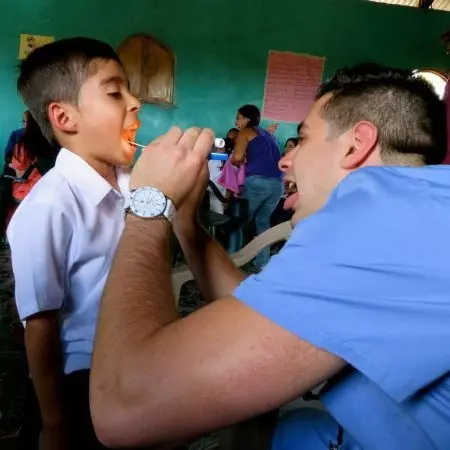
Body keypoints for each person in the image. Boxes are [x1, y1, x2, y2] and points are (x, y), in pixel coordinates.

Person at [91, 64, 450, 450]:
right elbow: (267, 322)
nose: (284, 160)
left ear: (355, 144)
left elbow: (124, 406)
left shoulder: (378, 218)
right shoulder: (417, 212)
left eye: (304, 140)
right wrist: (186, 224)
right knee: (294, 430)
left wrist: (149, 205)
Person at [7, 37, 140, 450]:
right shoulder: (48, 206)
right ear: (64, 117)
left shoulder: (134, 187)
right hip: (77, 382)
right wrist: (54, 422)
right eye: (116, 92)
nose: (135, 102)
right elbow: (40, 324)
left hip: (135, 361)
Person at [229, 104, 282, 269]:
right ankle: (262, 264)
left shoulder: (245, 132)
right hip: (277, 184)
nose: (236, 121)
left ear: (247, 118)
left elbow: (236, 158)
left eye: (238, 117)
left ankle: (233, 260)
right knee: (262, 222)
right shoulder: (267, 134)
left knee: (239, 220)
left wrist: (236, 158)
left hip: (258, 183)